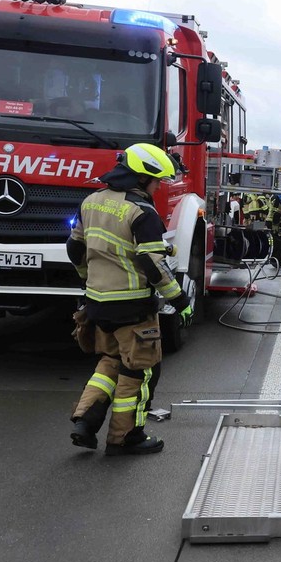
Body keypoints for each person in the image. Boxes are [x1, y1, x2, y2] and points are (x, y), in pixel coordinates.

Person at [67, 143, 192, 456]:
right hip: (133, 307)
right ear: (141, 178)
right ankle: (126, 437)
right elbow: (152, 264)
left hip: (97, 303)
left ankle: (85, 421)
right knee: (142, 369)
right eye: (156, 182)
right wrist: (179, 301)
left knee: (110, 360)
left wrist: (87, 278)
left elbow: (75, 249)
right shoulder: (142, 212)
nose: (157, 188)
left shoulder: (91, 201)